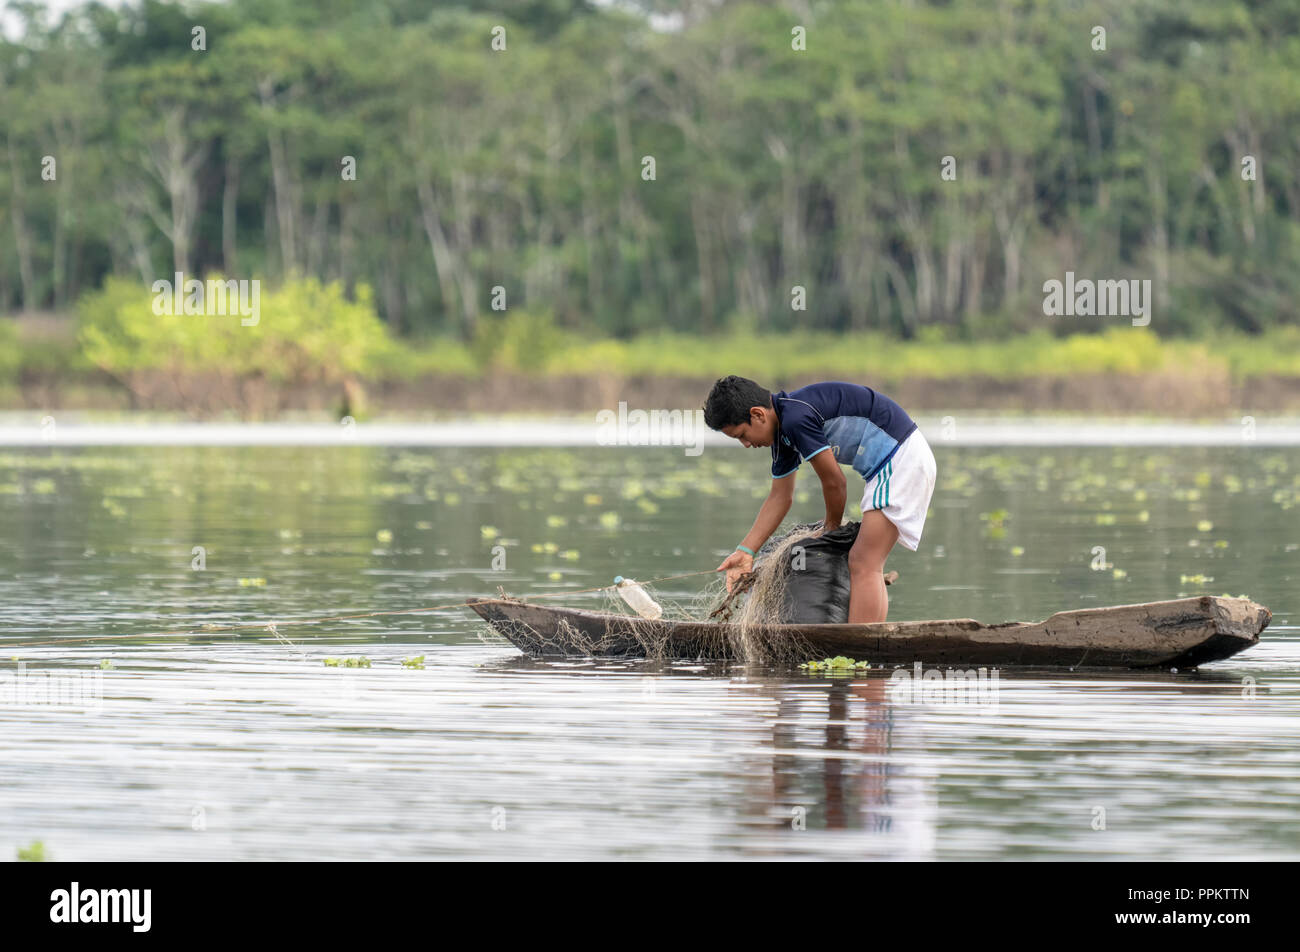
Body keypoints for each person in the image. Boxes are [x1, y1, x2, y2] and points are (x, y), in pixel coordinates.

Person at [703, 375, 936, 623]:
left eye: (742, 435)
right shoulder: (783, 434)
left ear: (758, 414)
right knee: (865, 562)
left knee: (863, 562)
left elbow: (835, 482)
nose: (746, 445)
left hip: (901, 460)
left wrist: (830, 530)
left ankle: (860, 645)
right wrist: (746, 550)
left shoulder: (795, 418)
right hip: (894, 465)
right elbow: (780, 497)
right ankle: (867, 639)